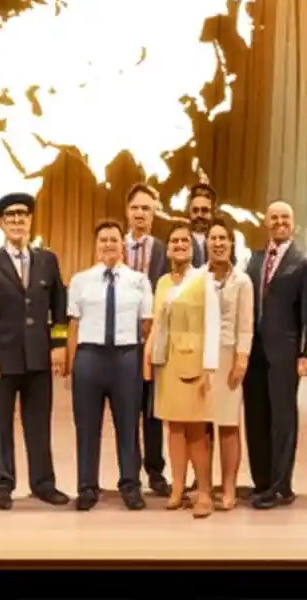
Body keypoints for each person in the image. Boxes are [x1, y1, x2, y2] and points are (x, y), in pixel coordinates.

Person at [0, 192, 70, 511]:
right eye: (10, 216)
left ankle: (43, 484)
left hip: (38, 358)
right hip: (2, 360)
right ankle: (2, 485)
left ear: (30, 221)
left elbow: (59, 305)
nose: (17, 221)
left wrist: (57, 345)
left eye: (23, 215)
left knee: (38, 424)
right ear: (1, 223)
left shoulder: (47, 260)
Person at [244, 200, 307, 509]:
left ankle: (281, 487)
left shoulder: (305, 262)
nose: (280, 222)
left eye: (285, 217)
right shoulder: (254, 260)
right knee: (256, 417)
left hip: (286, 354)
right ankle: (262, 482)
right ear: (266, 222)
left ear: (293, 223)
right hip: (253, 353)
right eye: (274, 217)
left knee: (282, 419)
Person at [67, 219, 151, 511]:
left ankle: (130, 485)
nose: (108, 244)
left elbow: (147, 326)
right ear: (96, 244)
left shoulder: (139, 281)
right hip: (89, 357)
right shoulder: (80, 281)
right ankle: (87, 487)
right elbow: (74, 325)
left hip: (127, 358)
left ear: (122, 244)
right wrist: (70, 365)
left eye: (113, 239)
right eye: (103, 239)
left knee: (128, 425)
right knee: (87, 427)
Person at [144, 220, 217, 518]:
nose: (179, 246)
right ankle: (177, 488)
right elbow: (157, 325)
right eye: (173, 242)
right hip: (167, 362)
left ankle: (204, 492)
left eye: (184, 242)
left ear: (193, 246)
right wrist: (148, 358)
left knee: (196, 431)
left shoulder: (205, 279)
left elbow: (212, 324)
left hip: (195, 360)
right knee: (173, 428)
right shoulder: (161, 282)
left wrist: (209, 366)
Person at [204, 214, 254, 511]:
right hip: (201, 359)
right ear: (207, 243)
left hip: (230, 357)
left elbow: (246, 324)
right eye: (214, 238)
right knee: (202, 426)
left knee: (228, 425)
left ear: (231, 244)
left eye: (224, 238)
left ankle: (229, 487)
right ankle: (204, 487)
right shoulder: (198, 277)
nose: (219, 243)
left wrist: (242, 359)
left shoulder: (243, 281)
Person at [124, 183, 171, 497]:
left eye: (147, 208)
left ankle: (155, 472)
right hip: (122, 342)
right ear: (127, 211)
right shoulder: (114, 245)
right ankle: (128, 474)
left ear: (154, 214)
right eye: (136, 208)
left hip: (155, 341)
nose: (140, 213)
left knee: (153, 412)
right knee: (127, 410)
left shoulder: (165, 250)